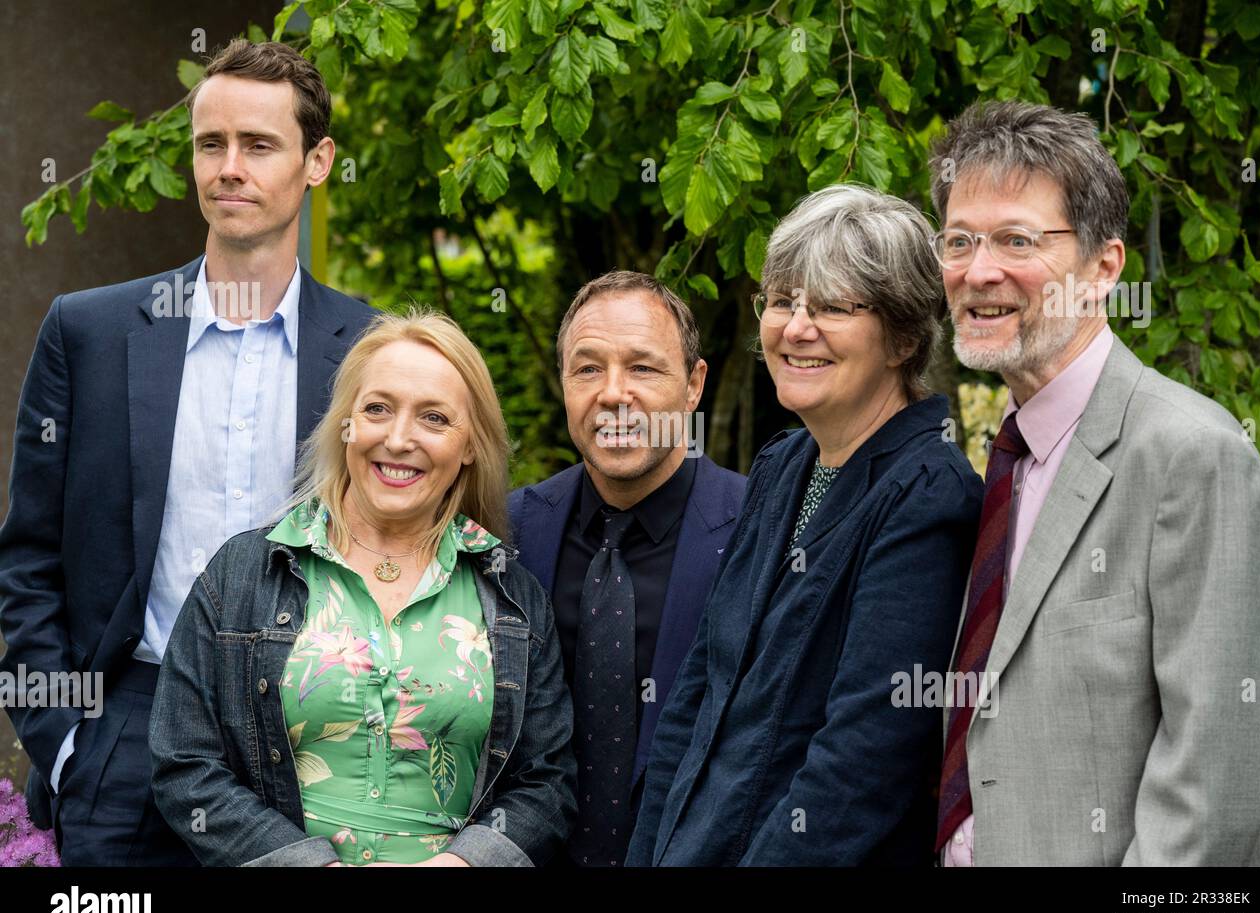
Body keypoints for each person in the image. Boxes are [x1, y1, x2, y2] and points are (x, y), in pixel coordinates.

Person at [0, 39, 374, 865]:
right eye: (212, 143)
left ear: (318, 162)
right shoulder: (88, 333)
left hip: (311, 735)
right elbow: (28, 557)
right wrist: (65, 744)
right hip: (126, 729)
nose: (229, 168)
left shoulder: (370, 350)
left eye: (259, 145)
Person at [931, 100, 1260, 866]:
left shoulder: (1194, 457)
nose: (978, 270)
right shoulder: (1005, 460)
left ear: (1104, 268)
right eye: (959, 240)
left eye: (1016, 240)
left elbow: (1212, 791)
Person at [626, 185, 984, 866]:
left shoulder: (927, 496)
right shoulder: (783, 465)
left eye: (831, 307)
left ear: (905, 336)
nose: (794, 328)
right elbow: (696, 697)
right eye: (783, 301)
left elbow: (863, 764)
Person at [149, 309, 576, 866]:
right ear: (346, 424)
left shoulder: (511, 594)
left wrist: (462, 864)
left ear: (471, 445)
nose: (398, 439)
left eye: (434, 418)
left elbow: (547, 784)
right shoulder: (243, 573)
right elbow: (185, 764)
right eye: (377, 409)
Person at [509, 271, 746, 867]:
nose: (614, 393)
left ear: (694, 385)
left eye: (643, 368)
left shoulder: (758, 530)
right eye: (588, 369)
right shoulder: (510, 532)